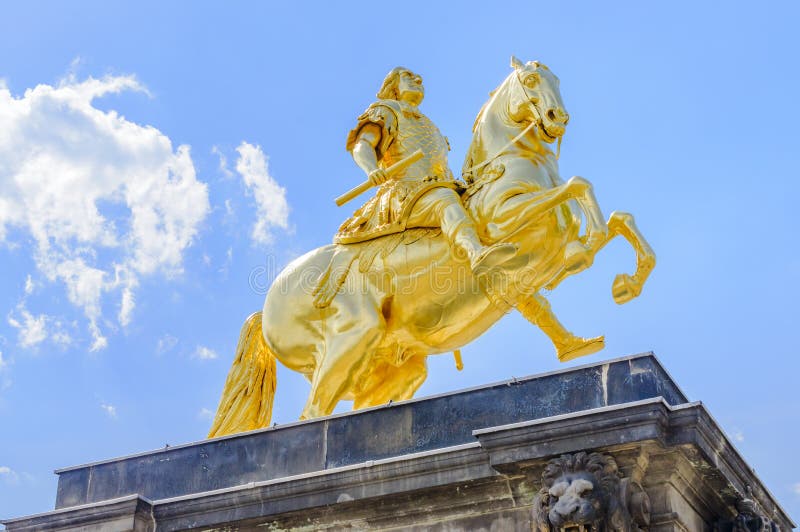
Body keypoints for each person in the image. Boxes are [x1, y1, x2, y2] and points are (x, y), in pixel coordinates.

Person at [335, 67, 517, 272]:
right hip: (405, 194)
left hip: (438, 187)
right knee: (444, 201)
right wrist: (371, 169)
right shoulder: (386, 109)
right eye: (408, 76)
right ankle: (475, 253)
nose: (418, 79)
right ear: (393, 87)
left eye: (417, 77)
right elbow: (363, 144)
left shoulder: (427, 122)